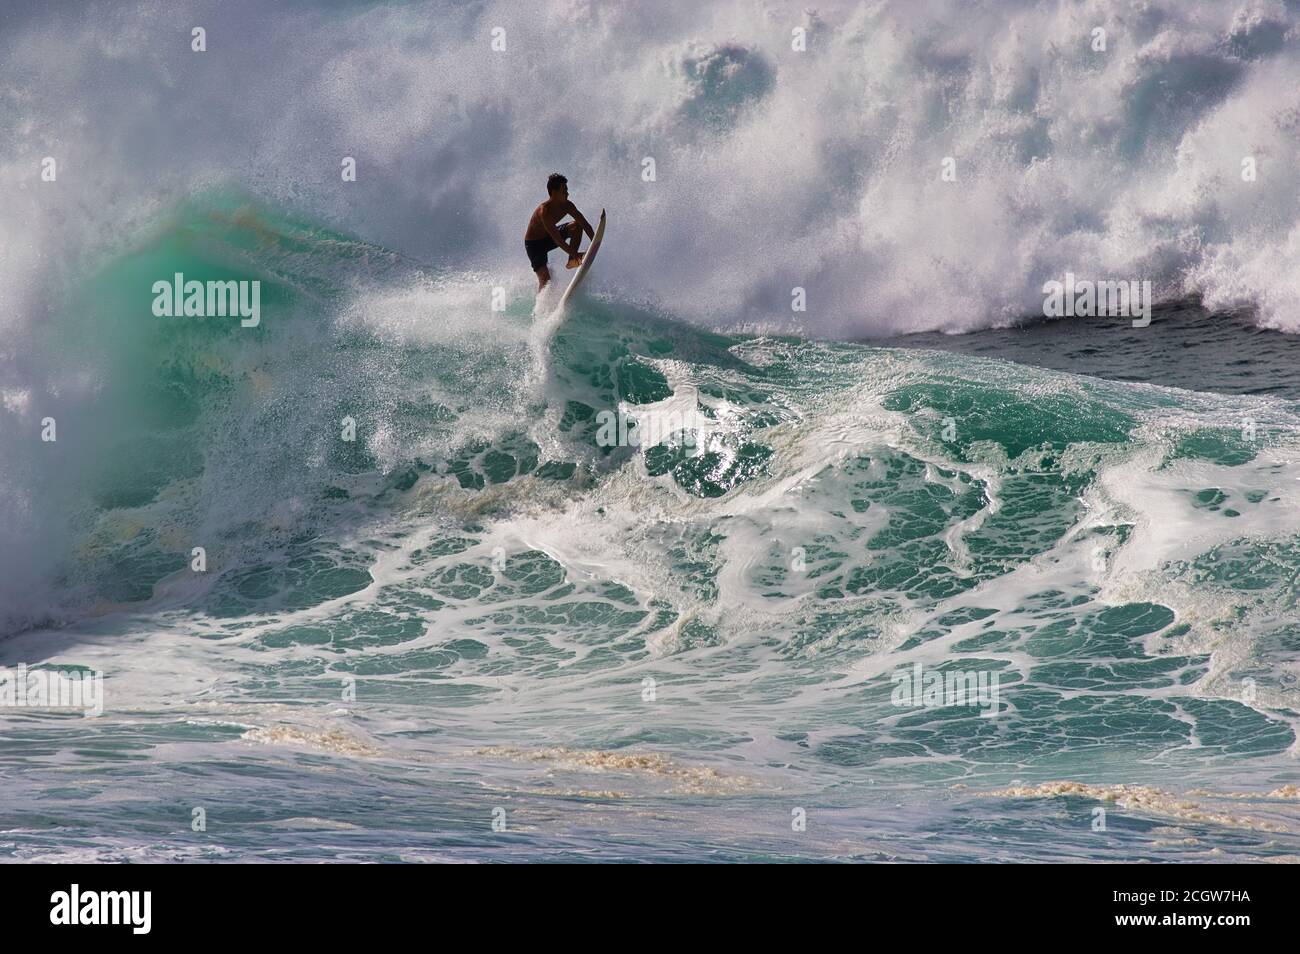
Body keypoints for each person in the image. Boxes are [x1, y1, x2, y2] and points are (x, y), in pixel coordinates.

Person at [524, 173, 595, 291]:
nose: (567, 193)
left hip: (548, 238)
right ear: (554, 192)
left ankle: (571, 260)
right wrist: (578, 255)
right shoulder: (544, 211)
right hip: (534, 245)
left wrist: (594, 240)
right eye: (564, 190)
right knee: (545, 280)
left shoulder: (568, 205)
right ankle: (542, 305)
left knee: (576, 226)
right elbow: (558, 240)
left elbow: (584, 223)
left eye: (567, 190)